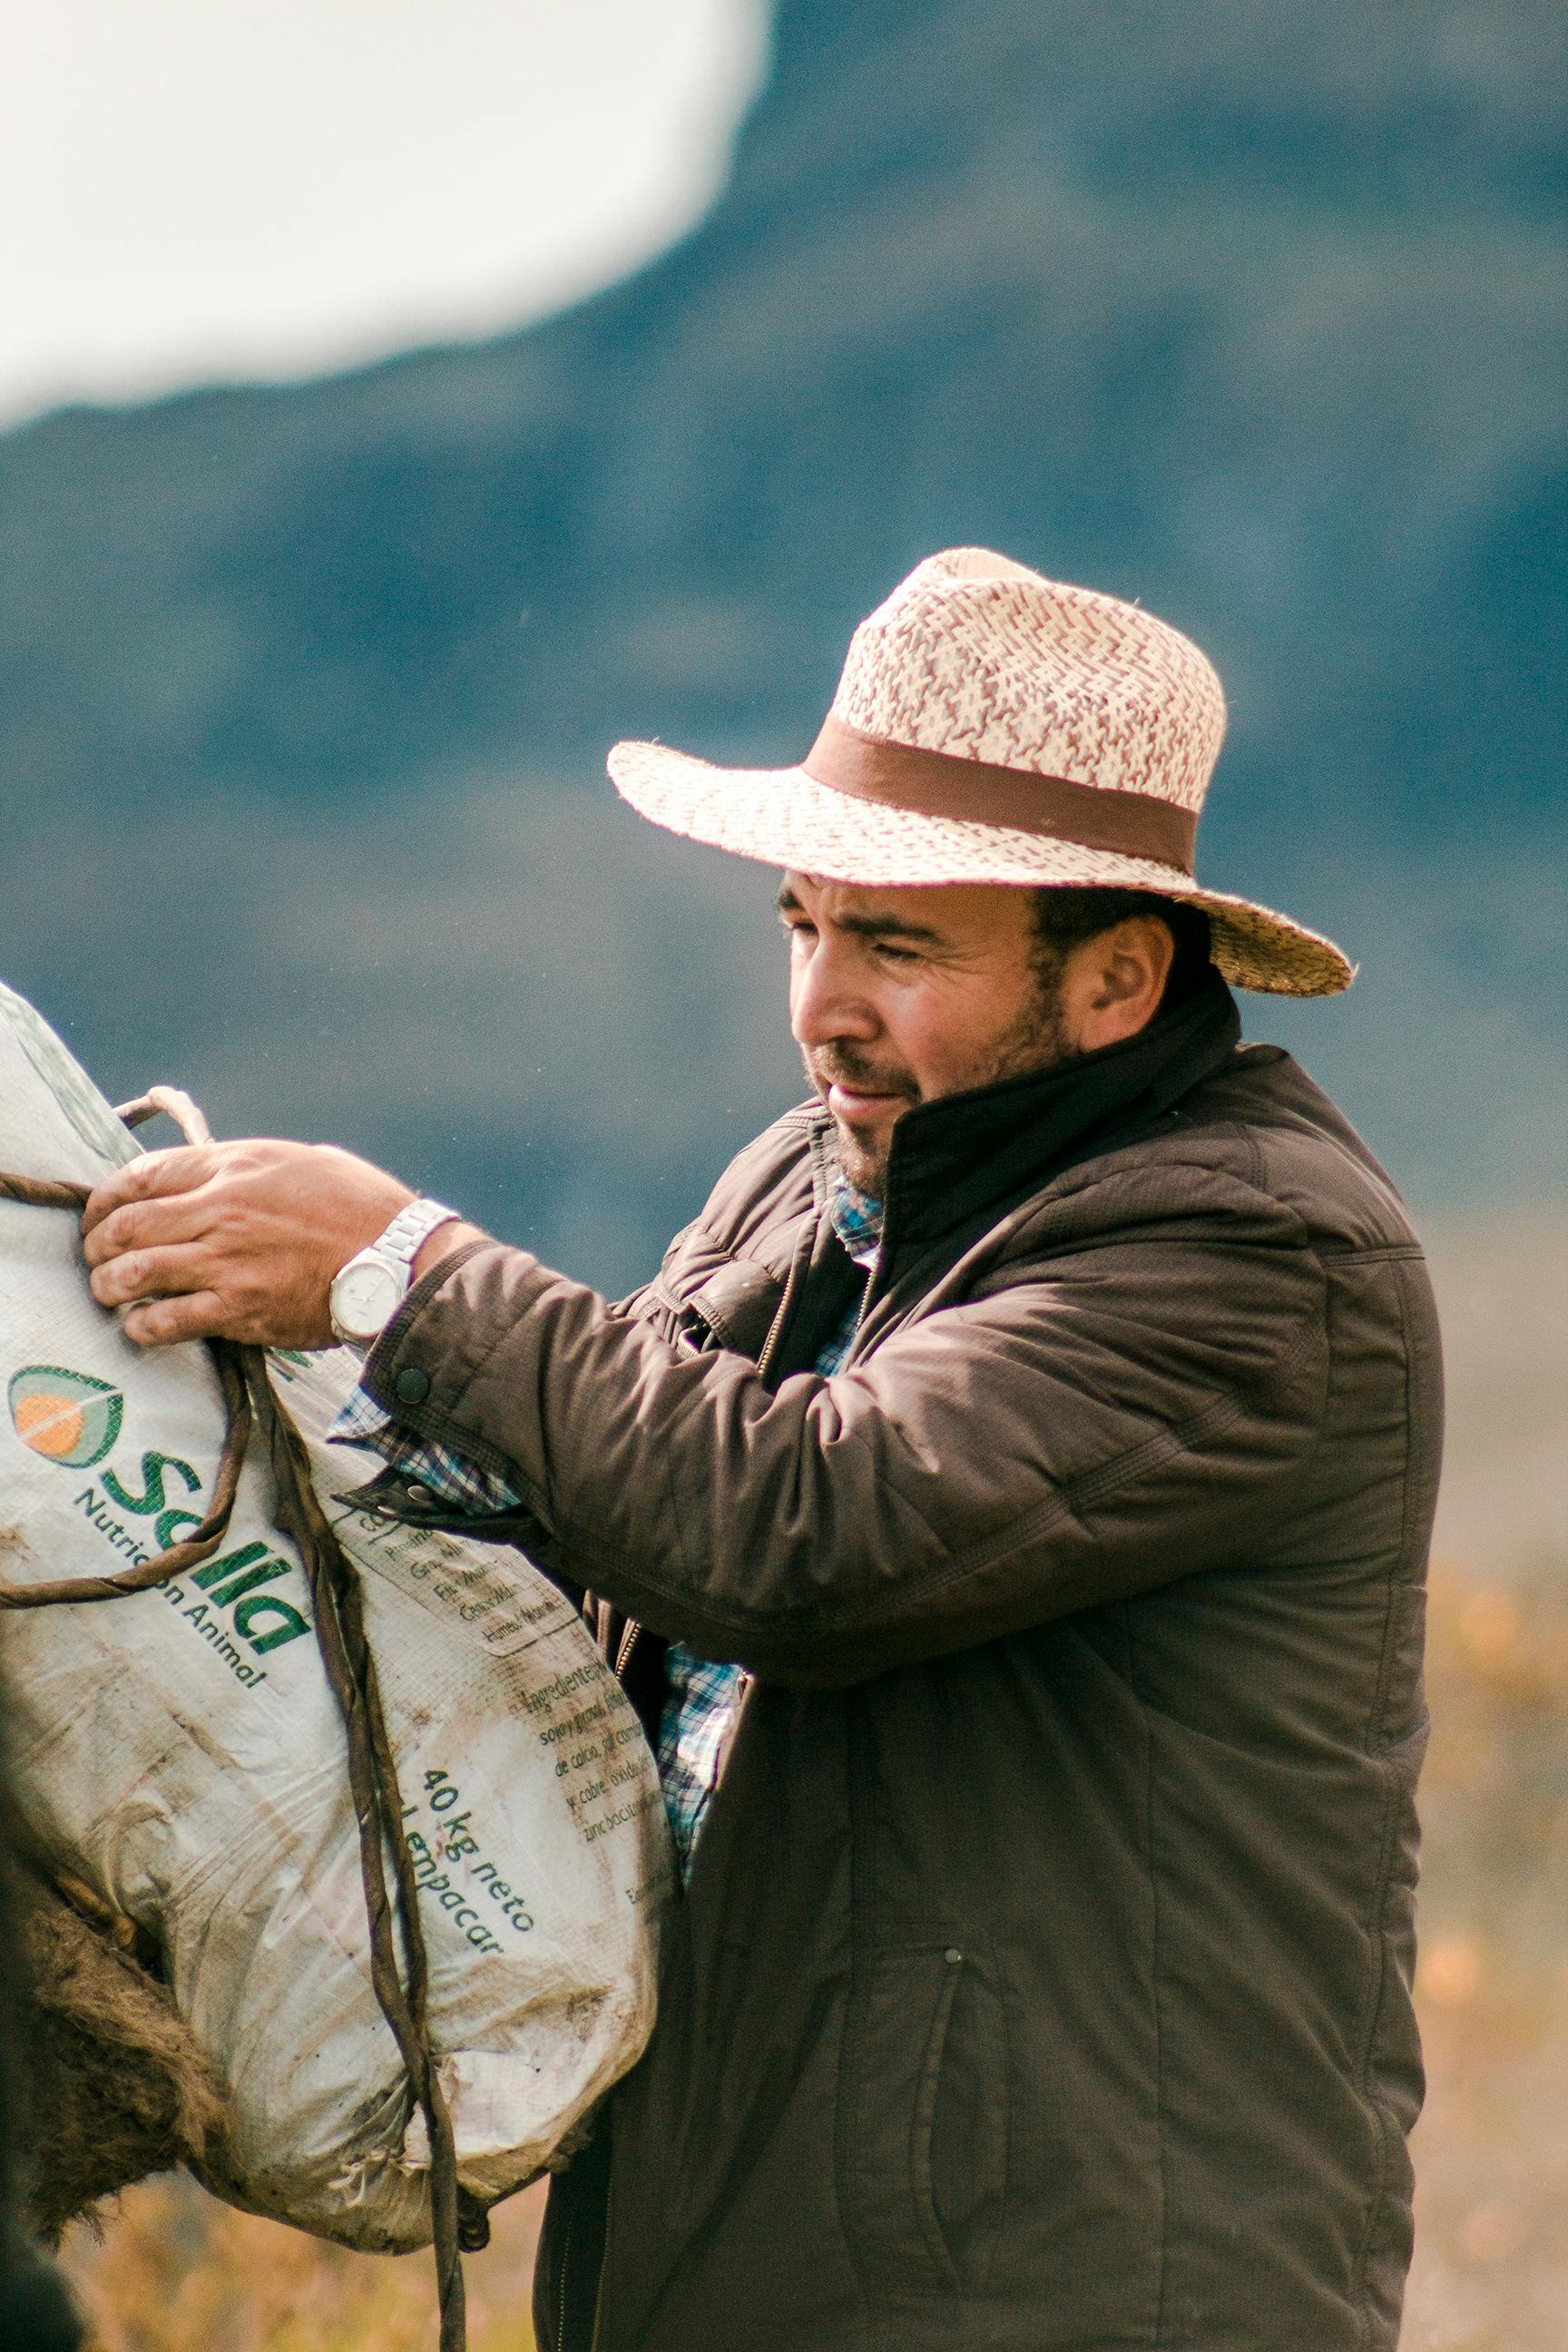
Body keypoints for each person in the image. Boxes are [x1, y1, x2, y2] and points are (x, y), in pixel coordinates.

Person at [80, 550, 1439, 2352]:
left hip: (1083, 2302)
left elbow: (810, 1526)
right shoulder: (809, 1187)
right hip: (742, 2270)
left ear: (1115, 981)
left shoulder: (1261, 1254)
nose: (820, 1004)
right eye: (802, 924)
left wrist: (397, 1273)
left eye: (894, 943)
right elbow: (590, 1514)